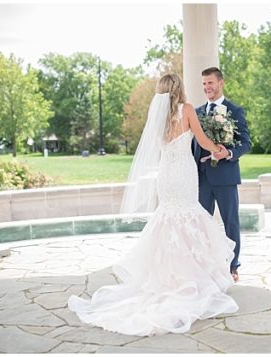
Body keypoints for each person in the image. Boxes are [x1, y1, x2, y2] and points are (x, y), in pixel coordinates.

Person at [67, 73, 239, 336]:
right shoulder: (187, 109)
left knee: (168, 217)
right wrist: (221, 150)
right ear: (179, 88)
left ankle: (166, 278)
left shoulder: (157, 116)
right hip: (183, 173)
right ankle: (190, 278)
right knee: (188, 216)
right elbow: (203, 142)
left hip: (166, 175)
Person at [192, 67, 251, 282]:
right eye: (204, 84)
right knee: (201, 225)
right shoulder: (197, 112)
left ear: (221, 83)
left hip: (226, 177)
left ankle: (232, 266)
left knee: (230, 222)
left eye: (210, 83)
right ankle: (205, 265)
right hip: (202, 178)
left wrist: (229, 153)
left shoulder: (234, 110)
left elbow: (246, 143)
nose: (207, 87)